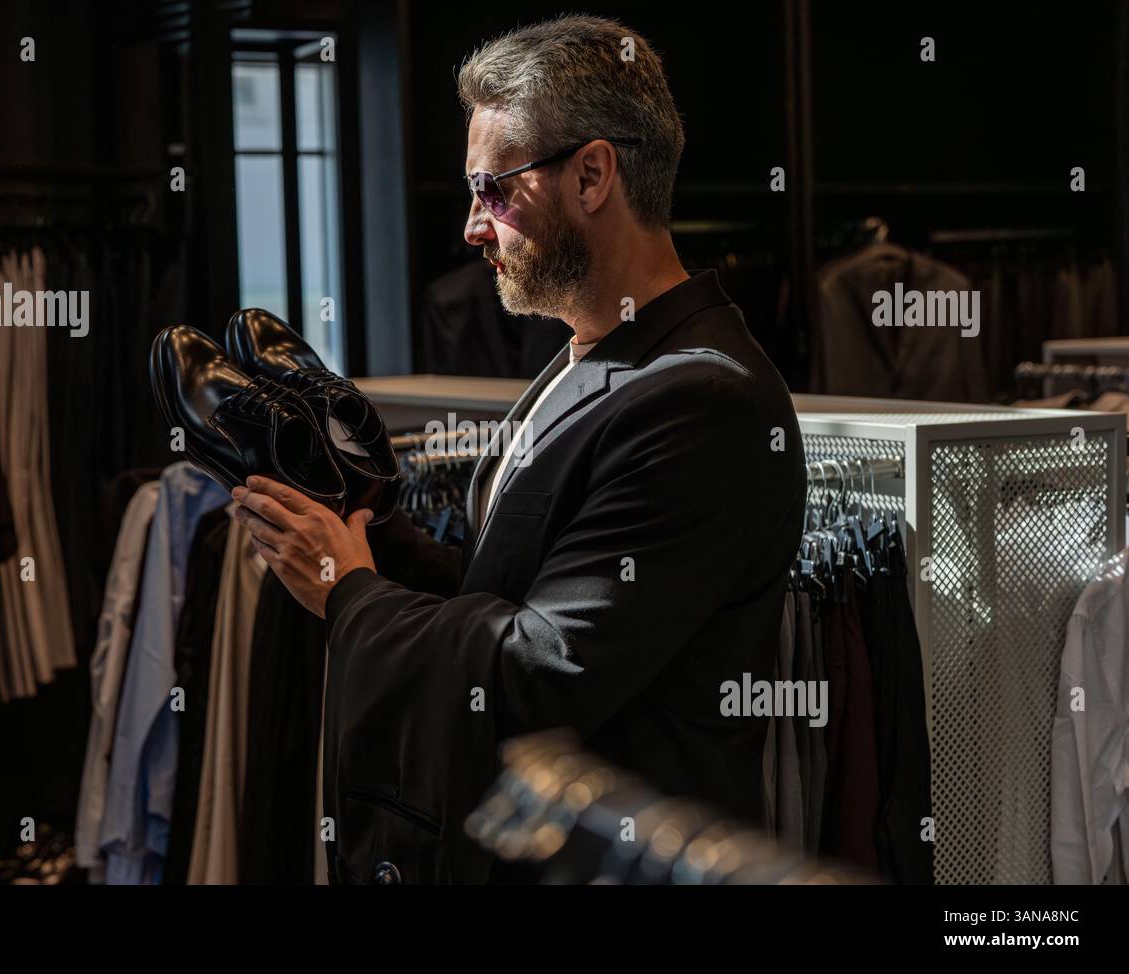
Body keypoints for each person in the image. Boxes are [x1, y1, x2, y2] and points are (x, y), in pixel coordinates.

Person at [230, 14, 804, 883]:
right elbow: (502, 591)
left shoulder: (705, 399)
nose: (471, 227)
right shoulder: (587, 355)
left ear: (593, 174)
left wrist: (346, 591)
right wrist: (368, 530)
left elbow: (548, 669)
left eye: (492, 189)